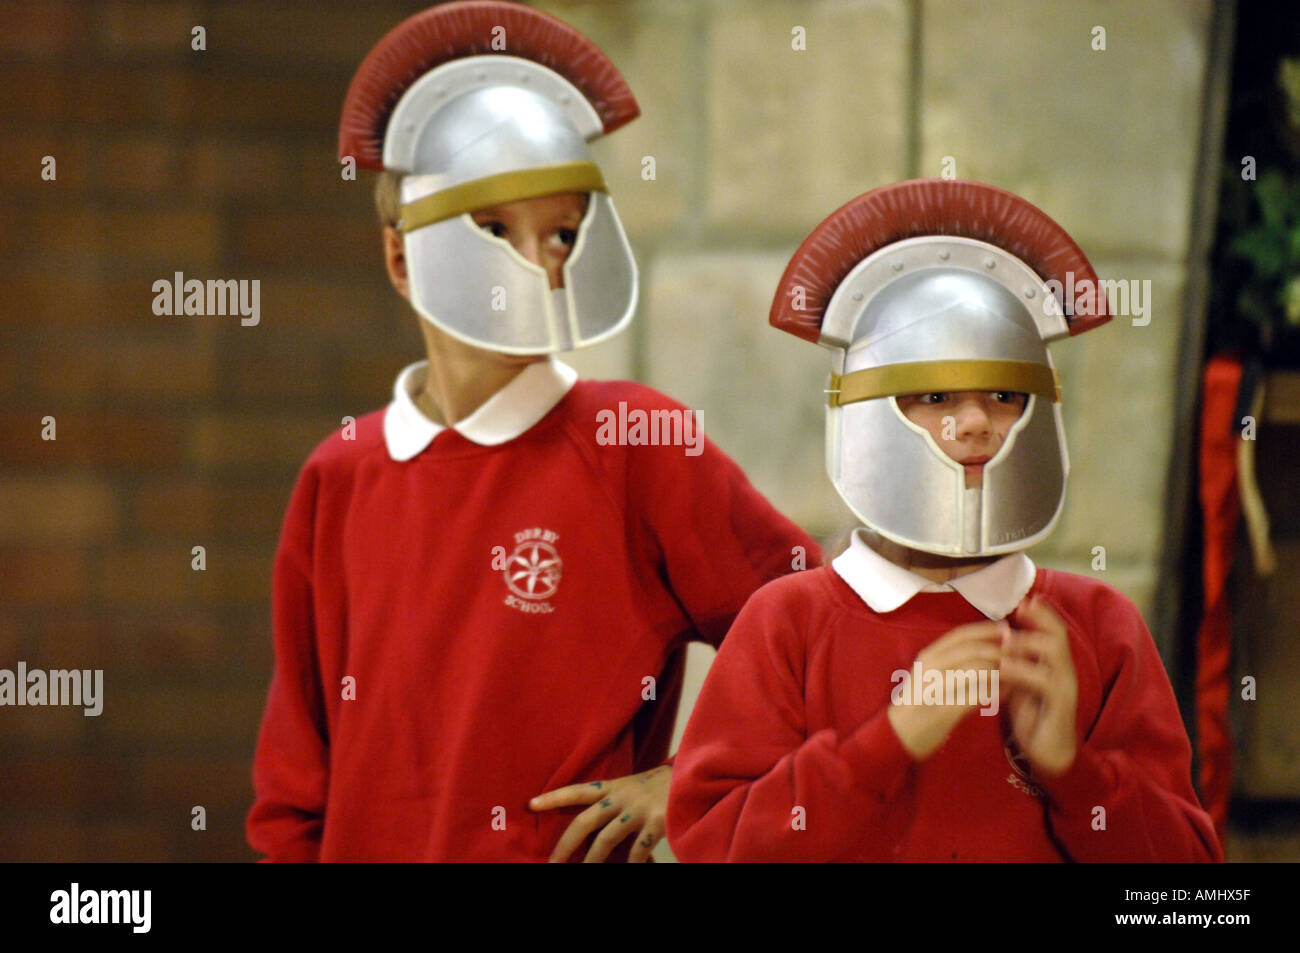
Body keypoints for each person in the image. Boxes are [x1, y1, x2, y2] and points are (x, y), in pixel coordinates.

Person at [246, 1, 820, 863]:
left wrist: (698, 776)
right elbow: (297, 781)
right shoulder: (341, 472)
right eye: (495, 229)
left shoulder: (639, 443)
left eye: (562, 232)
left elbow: (823, 637)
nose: (543, 262)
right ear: (401, 260)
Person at [666, 178, 1222, 862]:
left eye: (1004, 394)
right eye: (934, 395)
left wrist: (1075, 773)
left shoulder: (1099, 626)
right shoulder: (787, 623)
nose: (975, 423)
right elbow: (713, 848)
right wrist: (883, 746)